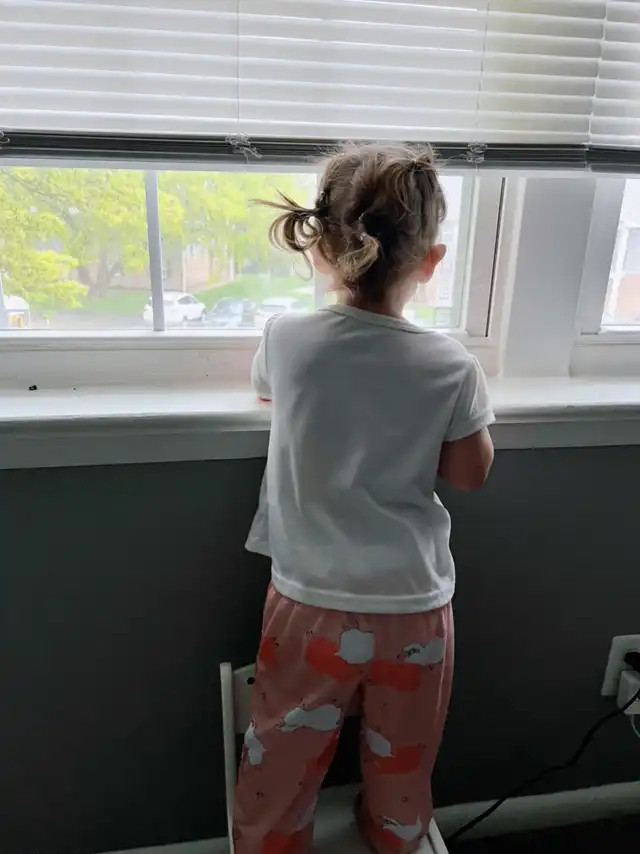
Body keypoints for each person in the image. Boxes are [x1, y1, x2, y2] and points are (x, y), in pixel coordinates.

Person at [234, 142, 495, 854]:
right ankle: (394, 834)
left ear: (322, 246)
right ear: (431, 261)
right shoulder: (451, 364)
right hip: (413, 607)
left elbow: (270, 394)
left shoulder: (289, 338)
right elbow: (470, 473)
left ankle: (268, 842)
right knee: (401, 757)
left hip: (310, 602)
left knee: (282, 753)